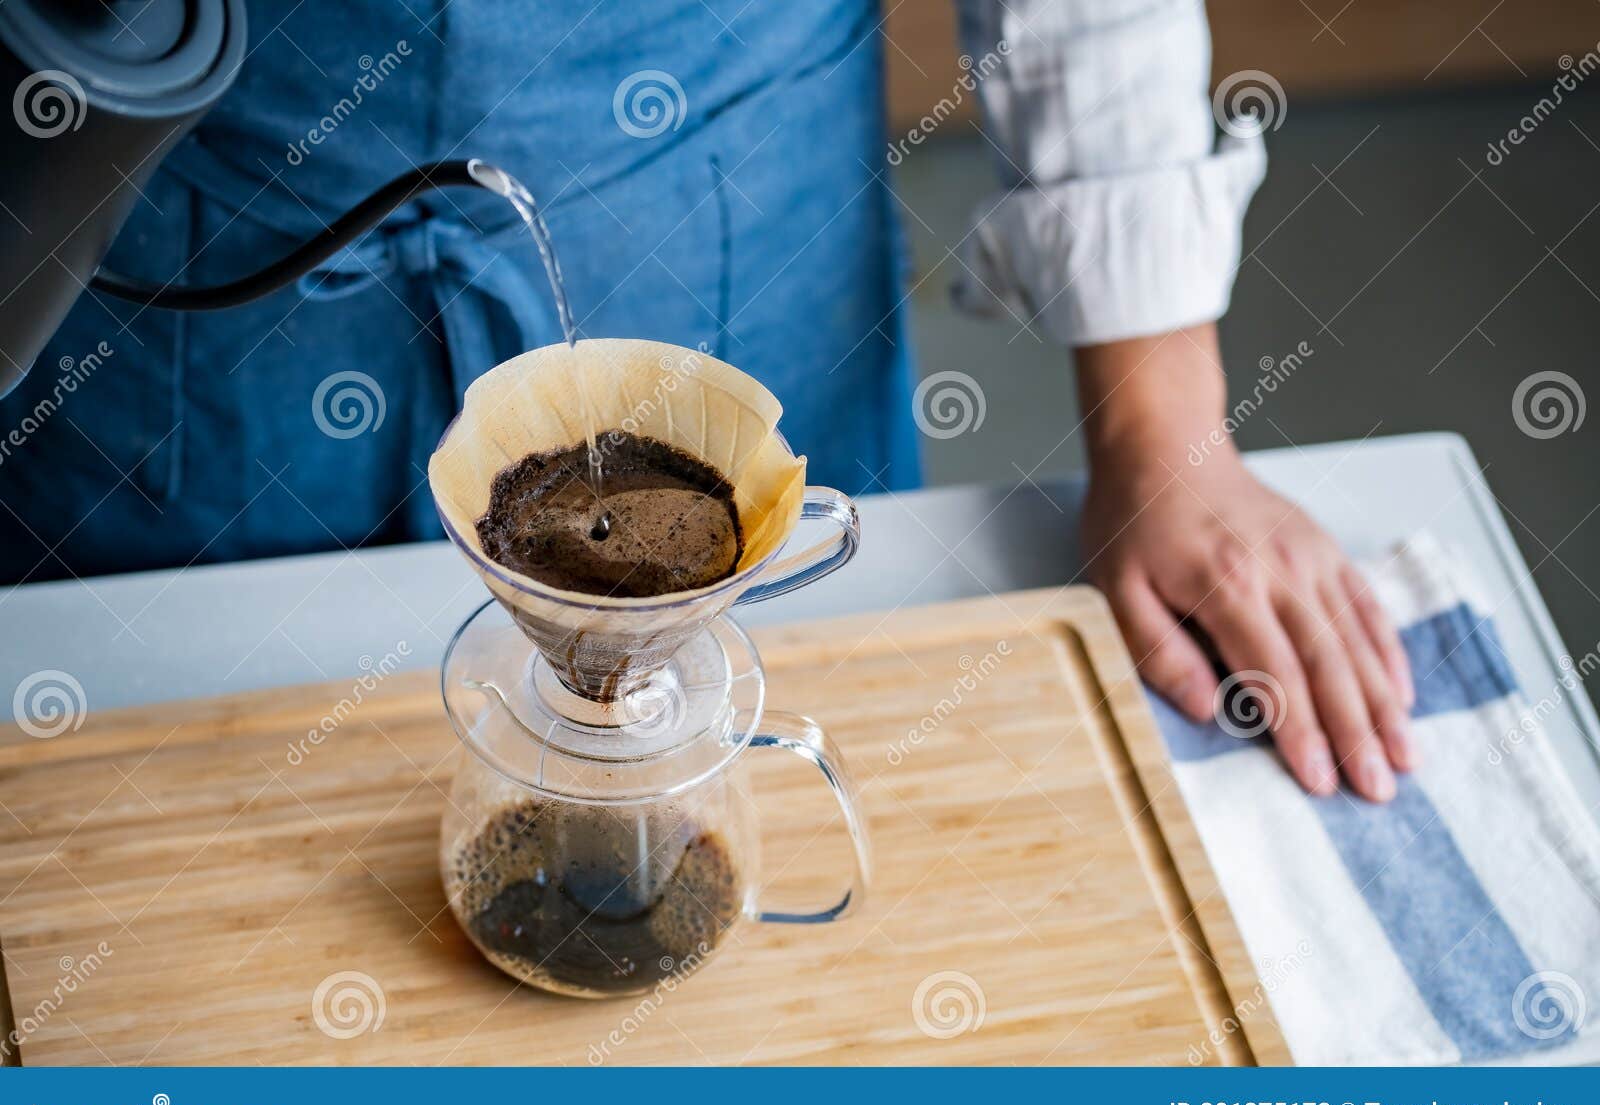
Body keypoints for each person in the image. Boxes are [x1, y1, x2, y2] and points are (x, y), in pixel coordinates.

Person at [0, 0, 1411, 801]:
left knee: (721, 800)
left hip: (705, 167)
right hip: (190, 187)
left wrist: (1165, 432)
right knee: (153, 804)